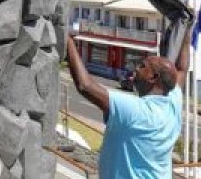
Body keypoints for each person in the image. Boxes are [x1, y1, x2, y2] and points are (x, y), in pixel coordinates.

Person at [65, 30, 190, 179]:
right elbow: (182, 69)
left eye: (142, 66)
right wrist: (188, 30)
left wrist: (69, 41)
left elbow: (85, 86)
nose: (136, 69)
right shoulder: (172, 102)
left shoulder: (137, 110)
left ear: (153, 77)